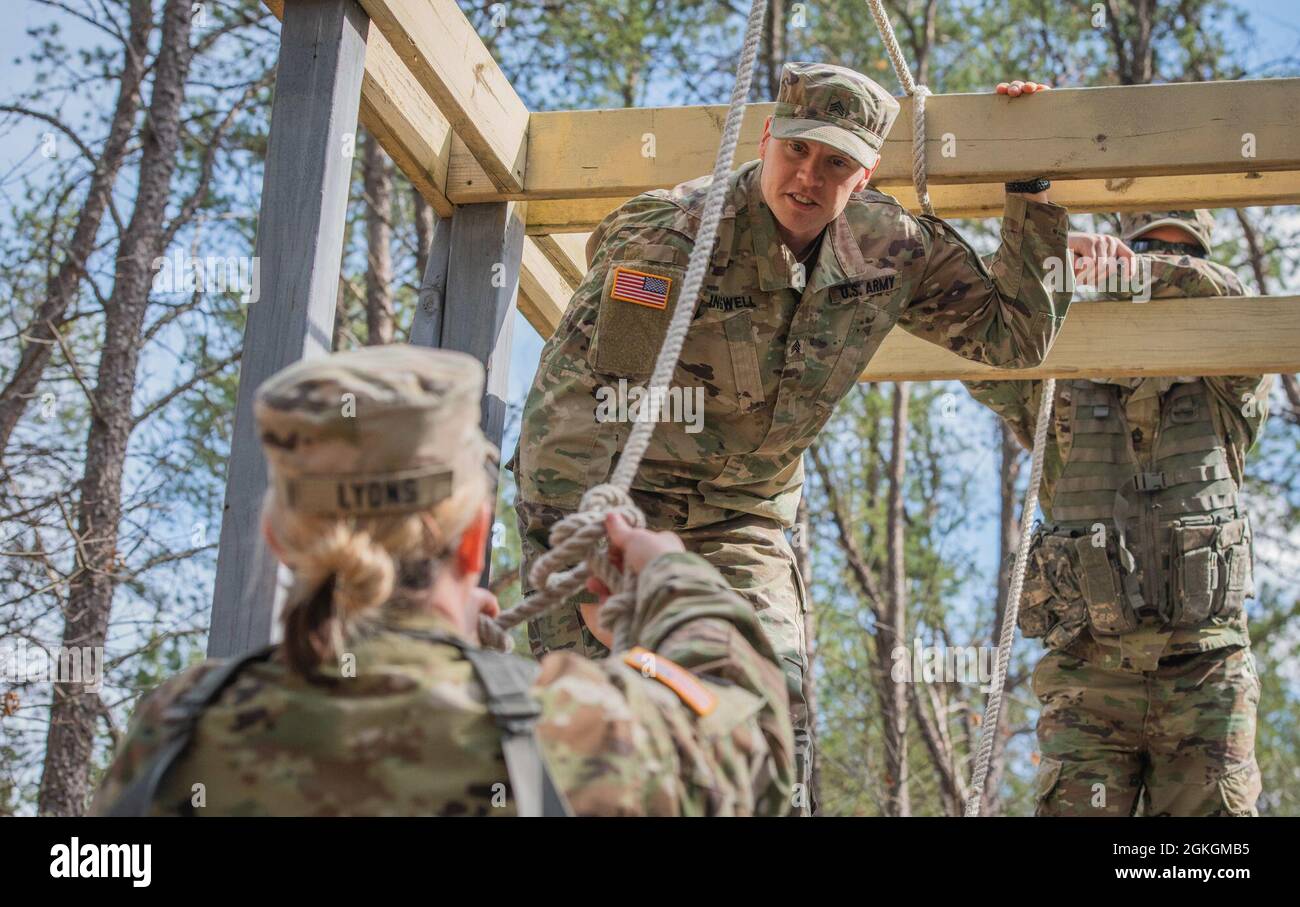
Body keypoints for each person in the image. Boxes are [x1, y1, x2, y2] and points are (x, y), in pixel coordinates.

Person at [512, 62, 1074, 809]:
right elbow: (571, 410)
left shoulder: (891, 249)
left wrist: (1030, 185)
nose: (808, 177)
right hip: (623, 513)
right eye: (797, 150)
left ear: (866, 175)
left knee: (771, 733)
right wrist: (580, 565)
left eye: (835, 162)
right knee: (610, 751)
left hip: (745, 519)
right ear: (768, 136)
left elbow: (1016, 338)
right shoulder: (672, 242)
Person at [92, 345, 794, 816]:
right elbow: (753, 734)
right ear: (469, 538)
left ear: (282, 538)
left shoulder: (176, 727)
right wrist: (671, 576)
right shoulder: (574, 720)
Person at [964, 210, 1269, 816]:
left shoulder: (1228, 378)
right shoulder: (1060, 377)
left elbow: (1229, 292)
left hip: (1206, 671)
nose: (1165, 269)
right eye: (1149, 249)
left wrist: (1136, 267)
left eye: (1183, 258)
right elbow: (975, 333)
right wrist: (1048, 263)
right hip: (1089, 676)